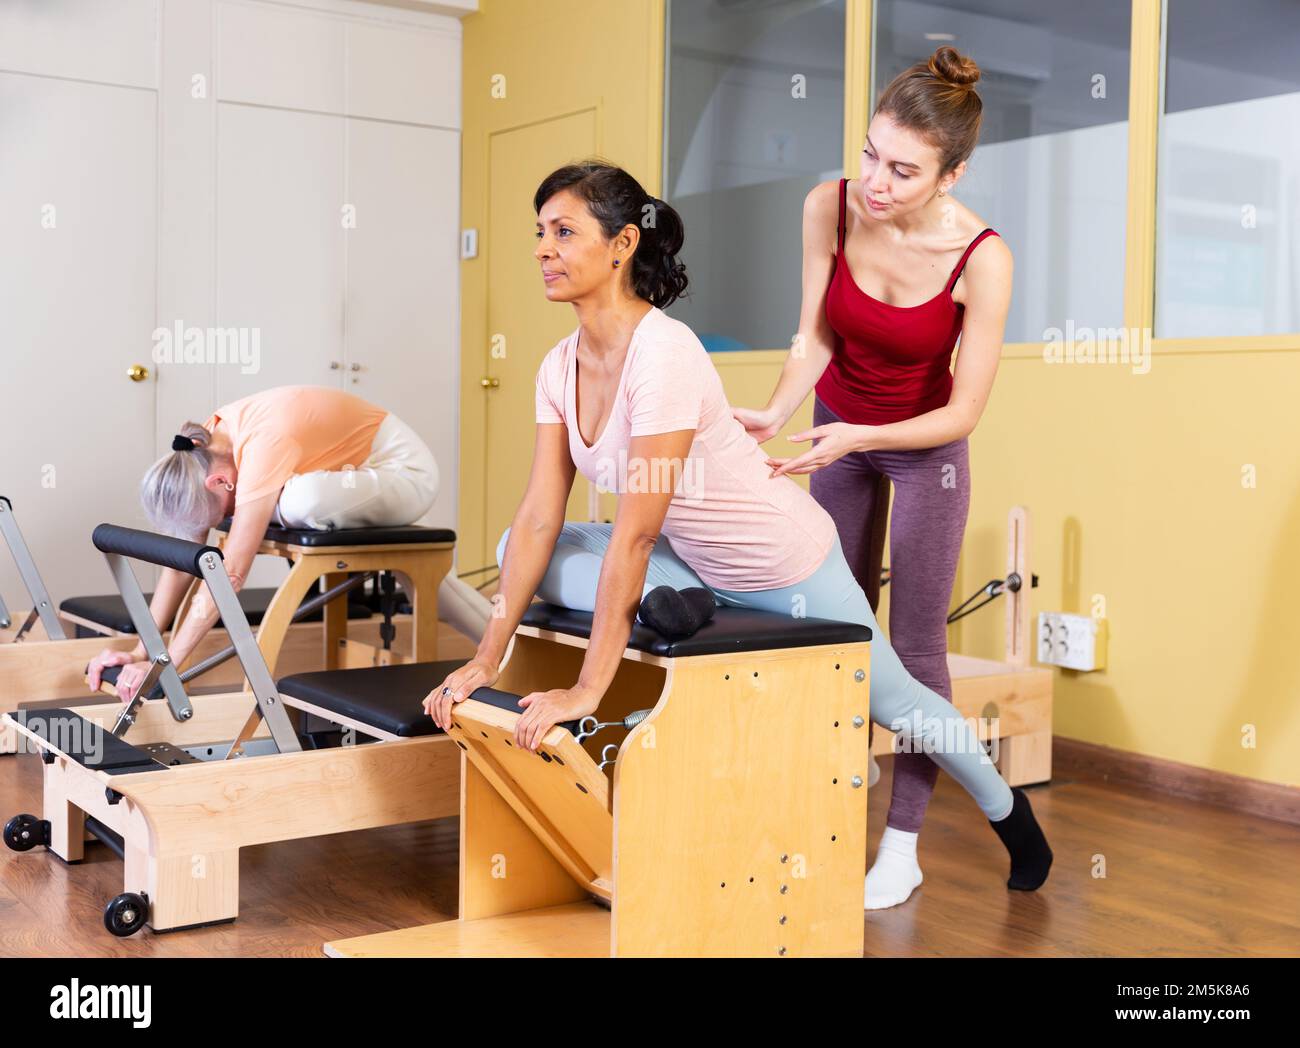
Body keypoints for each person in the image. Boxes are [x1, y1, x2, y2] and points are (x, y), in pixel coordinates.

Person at [425, 160, 1051, 895]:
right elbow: (538, 513)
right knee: (511, 545)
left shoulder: (663, 354)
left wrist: (589, 689)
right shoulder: (557, 366)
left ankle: (1011, 815)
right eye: (539, 232)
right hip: (686, 559)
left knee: (900, 702)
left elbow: (630, 533)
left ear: (623, 244)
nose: (542, 248)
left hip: (782, 565)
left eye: (564, 232)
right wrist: (486, 657)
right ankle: (682, 602)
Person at [734, 46, 1012, 909]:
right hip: (836, 432)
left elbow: (963, 413)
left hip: (925, 448)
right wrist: (780, 410)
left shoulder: (983, 258)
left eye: (902, 169)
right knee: (831, 625)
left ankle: (902, 846)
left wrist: (859, 436)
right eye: (868, 154)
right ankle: (819, 813)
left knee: (917, 650)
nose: (875, 181)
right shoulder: (831, 206)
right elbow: (813, 335)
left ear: (952, 172)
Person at [86, 385, 487, 699]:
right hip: (353, 477)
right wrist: (143, 651)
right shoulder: (206, 450)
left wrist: (168, 663)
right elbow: (183, 562)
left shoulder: (260, 446)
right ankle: (507, 643)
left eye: (220, 513)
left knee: (297, 500)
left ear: (221, 483)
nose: (219, 523)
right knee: (434, 592)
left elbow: (229, 573)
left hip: (404, 474)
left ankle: (504, 645)